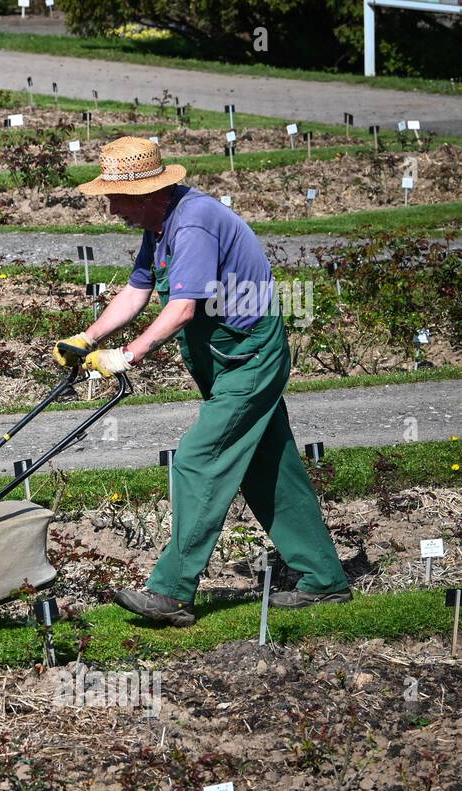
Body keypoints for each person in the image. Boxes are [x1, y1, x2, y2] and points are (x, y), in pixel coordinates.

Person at [52, 136, 350, 627]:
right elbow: (138, 289)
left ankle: (172, 592)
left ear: (146, 195)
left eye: (114, 199)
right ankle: (323, 578)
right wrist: (86, 337)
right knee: (268, 465)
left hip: (248, 358)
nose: (109, 209)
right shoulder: (162, 222)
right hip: (226, 355)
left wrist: (127, 355)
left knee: (199, 459)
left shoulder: (192, 225)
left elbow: (184, 307)